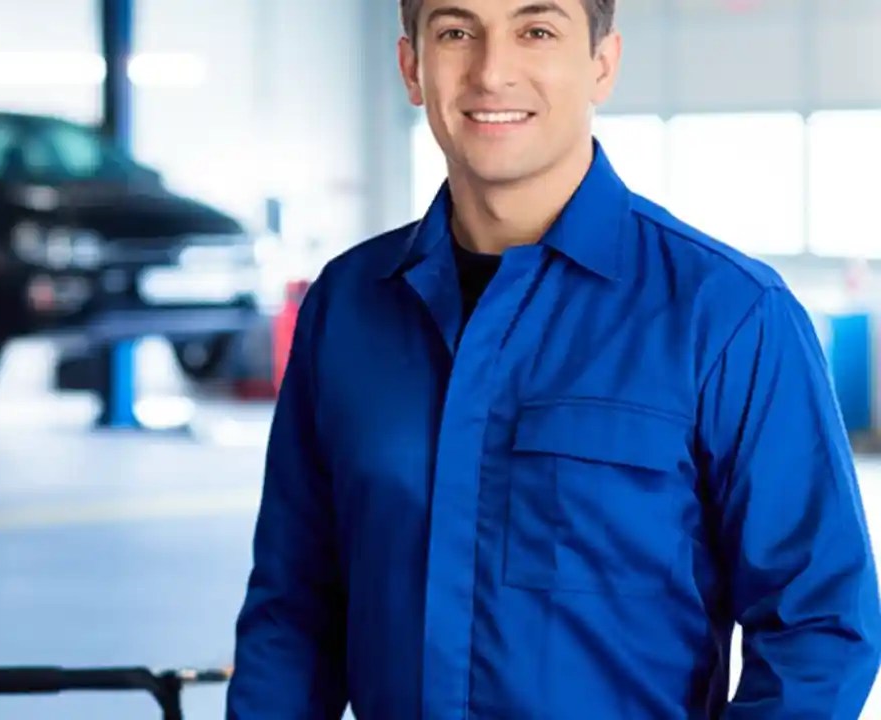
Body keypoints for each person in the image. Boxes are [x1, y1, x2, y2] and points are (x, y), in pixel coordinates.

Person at [225, 0, 881, 717]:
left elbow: (819, 628)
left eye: (536, 31)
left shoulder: (726, 314)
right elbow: (293, 610)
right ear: (412, 67)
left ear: (602, 63)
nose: (492, 71)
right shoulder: (348, 306)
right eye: (456, 33)